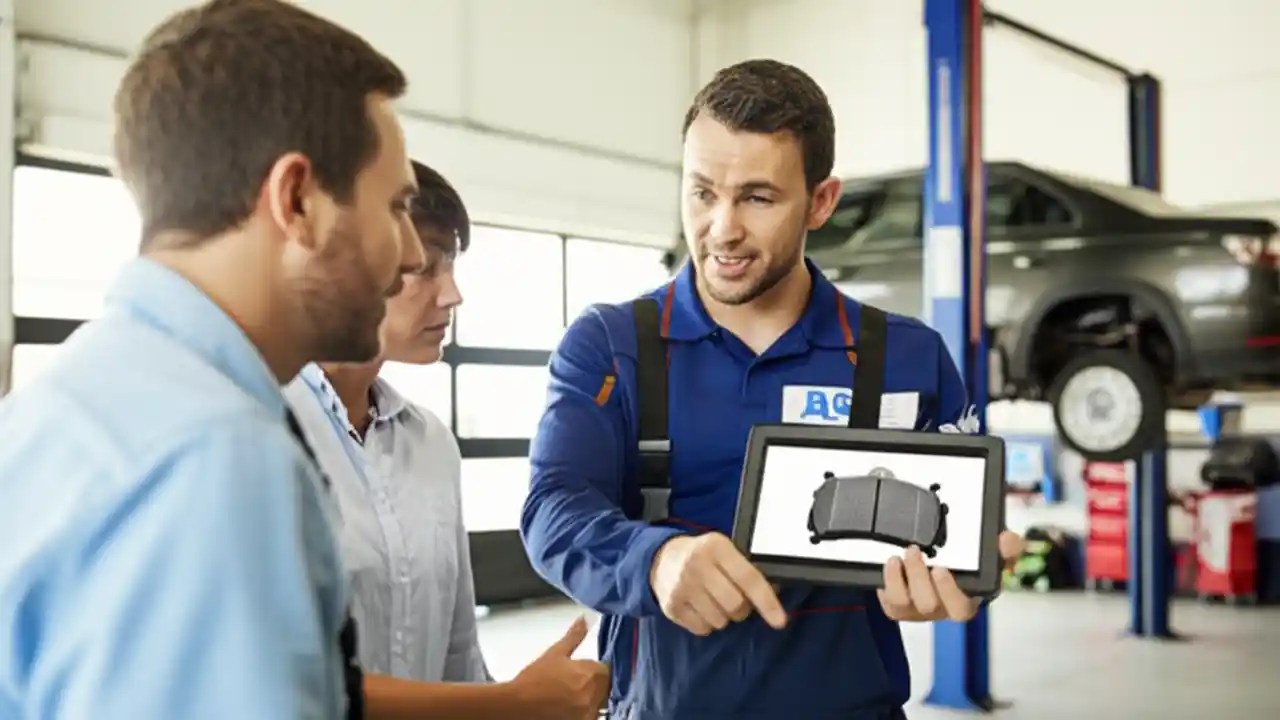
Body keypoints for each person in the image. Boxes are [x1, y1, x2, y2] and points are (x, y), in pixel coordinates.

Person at [519, 58, 1023, 719]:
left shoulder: (908, 357)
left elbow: (970, 531)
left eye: (757, 198)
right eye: (702, 193)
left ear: (821, 200)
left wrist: (969, 576)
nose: (723, 227)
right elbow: (553, 508)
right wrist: (654, 559)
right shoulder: (610, 345)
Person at [0, 1, 426, 718]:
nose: (412, 253)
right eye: (396, 207)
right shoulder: (214, 459)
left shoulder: (63, 407)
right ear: (297, 200)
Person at [285, 160, 609, 720]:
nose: (452, 293)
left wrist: (523, 704)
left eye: (449, 265)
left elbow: (458, 660)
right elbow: (282, 681)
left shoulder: (430, 443)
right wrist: (515, 704)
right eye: (424, 267)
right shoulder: (263, 429)